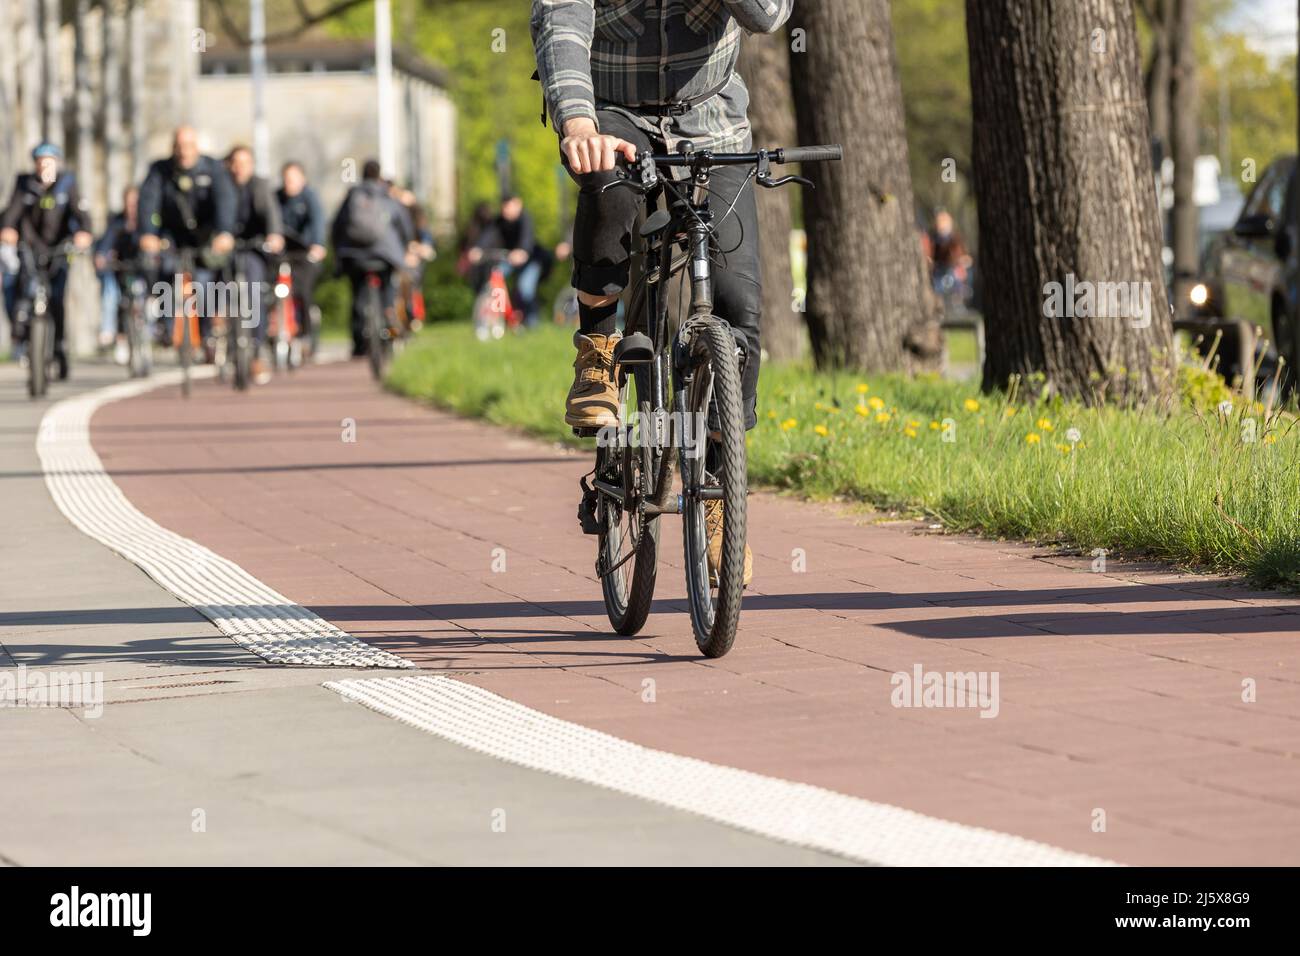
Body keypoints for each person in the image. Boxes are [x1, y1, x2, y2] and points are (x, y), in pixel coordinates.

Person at [531, 0, 794, 584]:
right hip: (613, 113)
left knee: (737, 303)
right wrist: (577, 122)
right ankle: (597, 350)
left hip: (712, 121)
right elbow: (561, 19)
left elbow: (768, 15)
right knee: (609, 186)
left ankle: (724, 490)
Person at [137, 125, 237, 356]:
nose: (184, 151)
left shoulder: (213, 169)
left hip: (205, 239)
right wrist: (147, 232)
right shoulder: (159, 171)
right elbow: (148, 202)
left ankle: (205, 334)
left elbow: (225, 202)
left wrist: (224, 232)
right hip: (171, 237)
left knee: (203, 284)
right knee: (166, 275)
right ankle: (166, 327)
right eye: (180, 146)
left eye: (189, 146)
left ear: (197, 148)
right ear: (173, 148)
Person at [0, 143, 93, 376]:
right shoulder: (25, 184)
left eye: (49, 160)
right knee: (20, 289)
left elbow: (81, 213)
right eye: (40, 161)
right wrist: (8, 229)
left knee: (57, 297)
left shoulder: (67, 183)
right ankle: (21, 338)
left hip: (59, 249)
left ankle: (59, 346)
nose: (45, 165)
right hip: (30, 247)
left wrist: (84, 233)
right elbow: (11, 212)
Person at [330, 160, 417, 357]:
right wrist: (406, 247)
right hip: (385, 254)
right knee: (387, 288)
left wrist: (338, 251)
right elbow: (403, 225)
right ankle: (388, 320)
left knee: (358, 296)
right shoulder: (386, 195)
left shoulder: (353, 195)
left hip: (354, 255)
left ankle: (359, 342)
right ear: (379, 176)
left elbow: (337, 225)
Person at [225, 145, 284, 384]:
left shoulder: (260, 186)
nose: (240, 168)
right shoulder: (223, 186)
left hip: (254, 247)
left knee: (254, 292)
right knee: (217, 292)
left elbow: (272, 213)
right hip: (226, 247)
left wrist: (274, 234)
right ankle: (220, 339)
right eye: (235, 162)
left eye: (244, 162)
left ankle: (257, 350)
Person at [467, 194, 543, 328]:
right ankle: (497, 316)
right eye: (504, 207)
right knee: (495, 279)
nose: (506, 210)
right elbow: (488, 236)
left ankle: (531, 320)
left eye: (509, 206)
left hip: (530, 260)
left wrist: (522, 251)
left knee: (525, 287)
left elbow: (527, 238)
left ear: (518, 205)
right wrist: (478, 249)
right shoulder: (499, 221)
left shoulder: (525, 219)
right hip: (509, 259)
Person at [276, 161, 328, 351]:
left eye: (293, 179)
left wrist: (318, 245)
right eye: (286, 179)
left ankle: (306, 332)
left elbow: (318, 222)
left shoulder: (310, 198)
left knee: (303, 291)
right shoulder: (277, 198)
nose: (289, 183)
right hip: (283, 254)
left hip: (305, 254)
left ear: (302, 179)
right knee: (271, 290)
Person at [94, 185, 143, 363]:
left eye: (135, 203)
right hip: (120, 267)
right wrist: (102, 255)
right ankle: (112, 333)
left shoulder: (147, 220)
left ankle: (150, 331)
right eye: (128, 203)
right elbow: (107, 240)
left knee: (143, 296)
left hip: (141, 268)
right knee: (112, 294)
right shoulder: (116, 220)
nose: (131, 206)